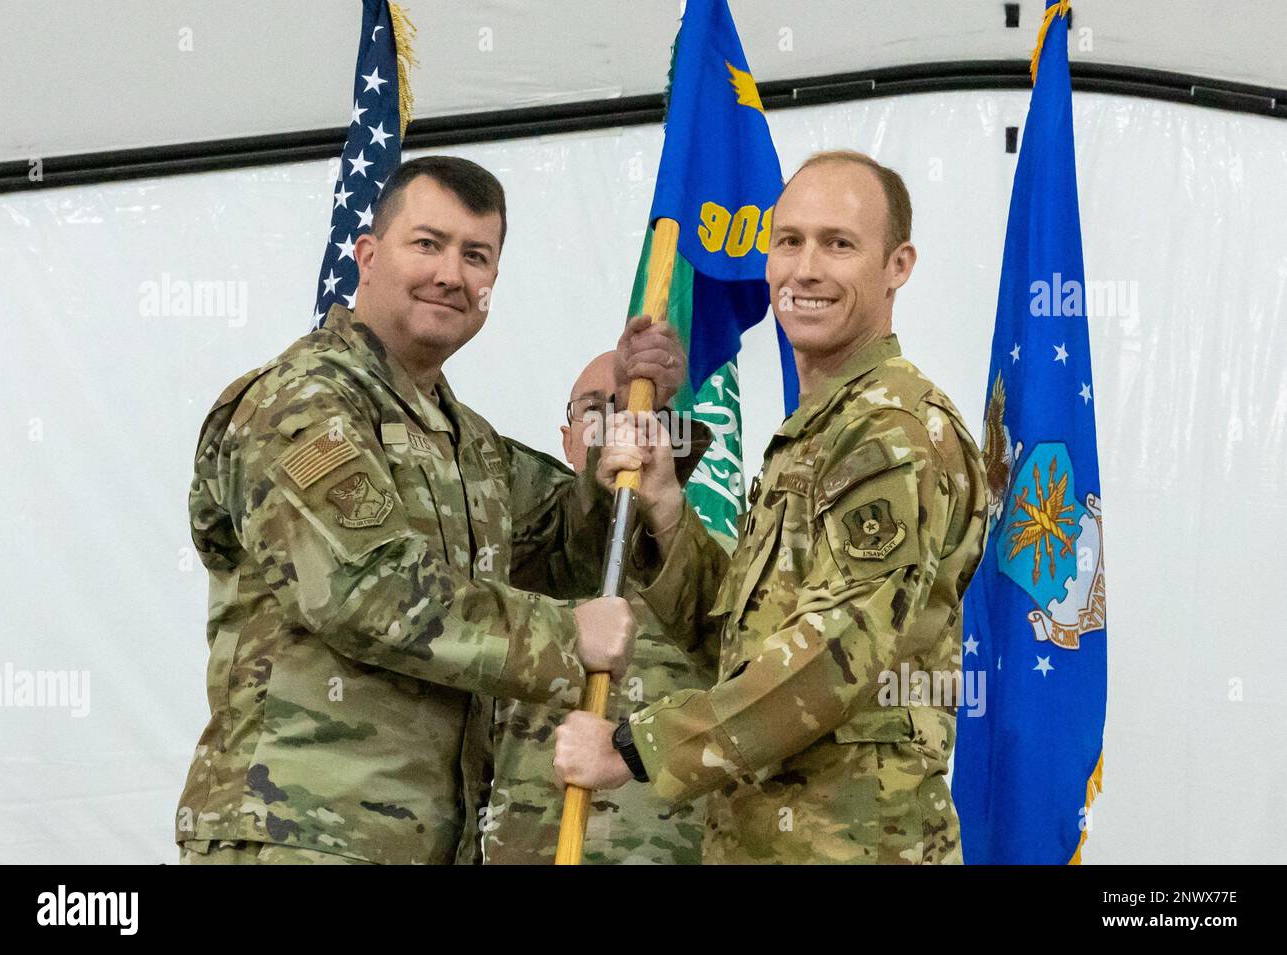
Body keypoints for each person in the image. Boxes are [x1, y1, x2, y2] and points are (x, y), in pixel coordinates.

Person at [176, 155, 683, 864]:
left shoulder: (466, 441)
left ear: (492, 286)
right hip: (299, 834)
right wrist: (569, 637)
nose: (451, 273)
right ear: (368, 256)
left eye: (476, 256)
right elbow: (364, 590)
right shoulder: (303, 401)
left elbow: (573, 548)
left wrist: (640, 422)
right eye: (428, 243)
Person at [552, 150, 989, 864]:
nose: (806, 269)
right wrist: (665, 506)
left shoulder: (894, 432)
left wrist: (635, 747)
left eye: (838, 244)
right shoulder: (819, 431)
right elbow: (741, 640)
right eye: (789, 241)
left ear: (898, 265)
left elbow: (833, 654)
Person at [482, 351, 713, 864]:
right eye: (595, 409)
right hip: (530, 846)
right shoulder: (513, 554)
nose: (618, 422)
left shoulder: (713, 565)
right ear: (566, 437)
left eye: (635, 407)